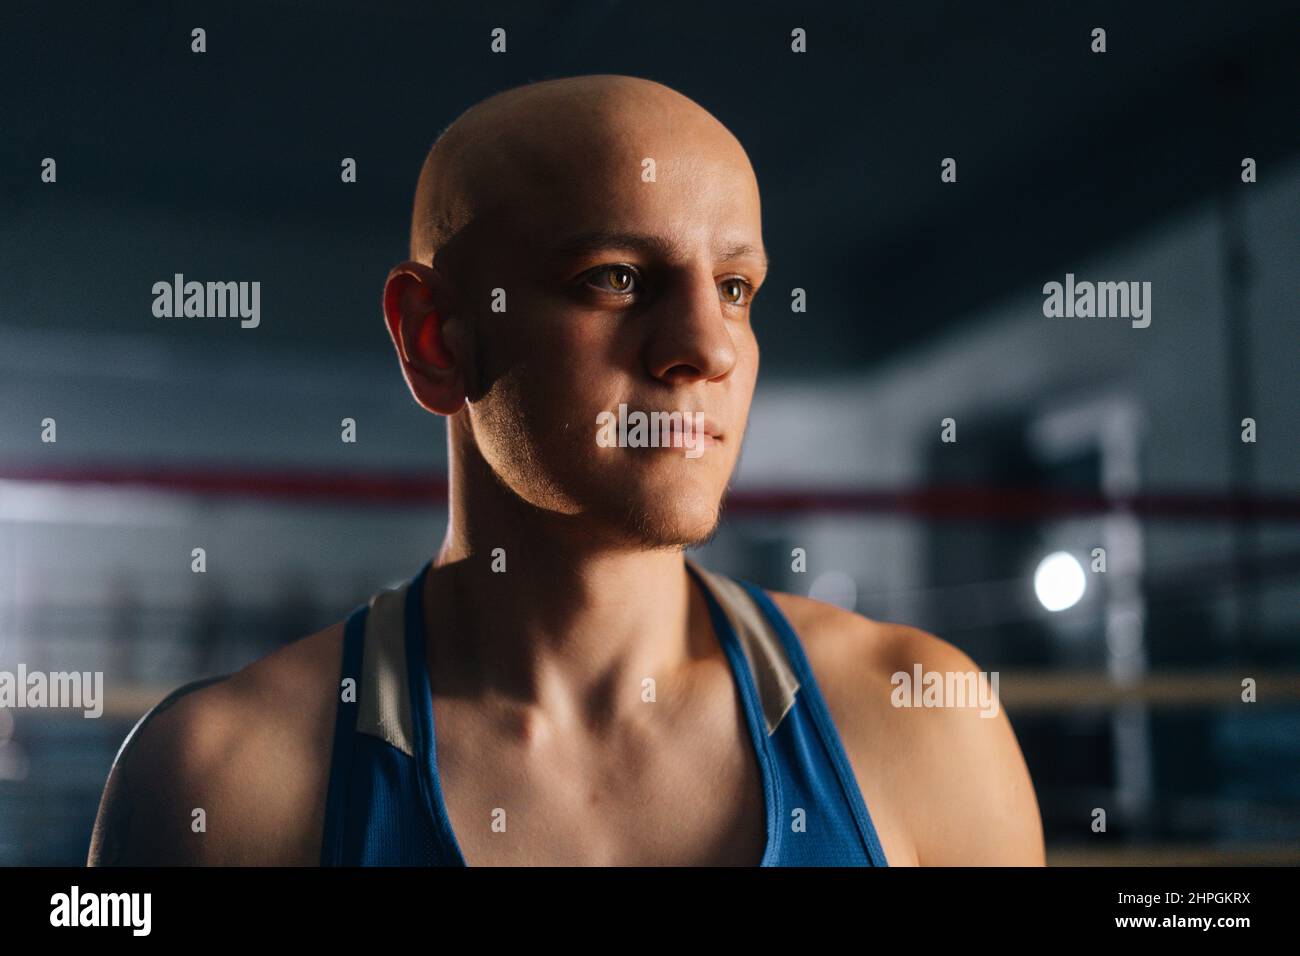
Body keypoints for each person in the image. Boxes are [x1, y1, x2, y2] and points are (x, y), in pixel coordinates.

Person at [88, 74, 1044, 866]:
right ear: (434, 340)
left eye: (736, 288)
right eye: (616, 277)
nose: (707, 348)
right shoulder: (221, 783)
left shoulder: (922, 722)